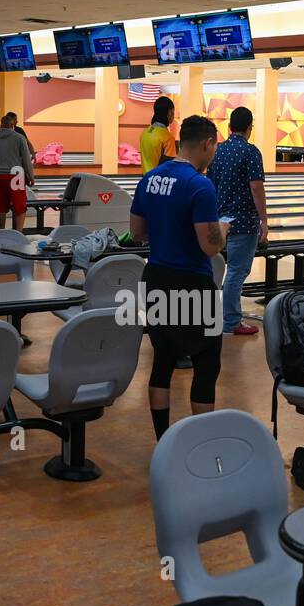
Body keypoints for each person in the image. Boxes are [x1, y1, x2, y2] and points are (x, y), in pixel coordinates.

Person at [130, 115, 227, 440]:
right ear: (207, 143)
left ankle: (163, 440)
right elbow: (210, 247)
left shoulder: (150, 178)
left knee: (163, 360)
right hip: (193, 284)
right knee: (206, 361)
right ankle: (201, 440)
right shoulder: (200, 185)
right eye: (214, 147)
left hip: (156, 277)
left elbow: (137, 232)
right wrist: (222, 231)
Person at [206, 106, 268, 335]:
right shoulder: (251, 152)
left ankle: (212, 316)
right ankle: (231, 322)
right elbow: (256, 186)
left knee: (216, 270)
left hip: (217, 222)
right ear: (250, 128)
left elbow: (209, 186)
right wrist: (264, 221)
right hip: (243, 223)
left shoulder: (217, 151)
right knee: (236, 272)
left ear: (229, 127)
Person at [0, 112, 34, 231]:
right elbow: (26, 160)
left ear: (0, 124)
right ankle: (19, 234)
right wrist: (31, 177)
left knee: (0, 208)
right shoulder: (19, 137)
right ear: (12, 125)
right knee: (20, 207)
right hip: (15, 175)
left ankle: (1, 232)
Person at [139, 96, 177, 175]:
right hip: (158, 183)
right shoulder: (167, 137)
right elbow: (169, 167)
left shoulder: (145, 133)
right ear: (169, 112)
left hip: (145, 179)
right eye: (173, 112)